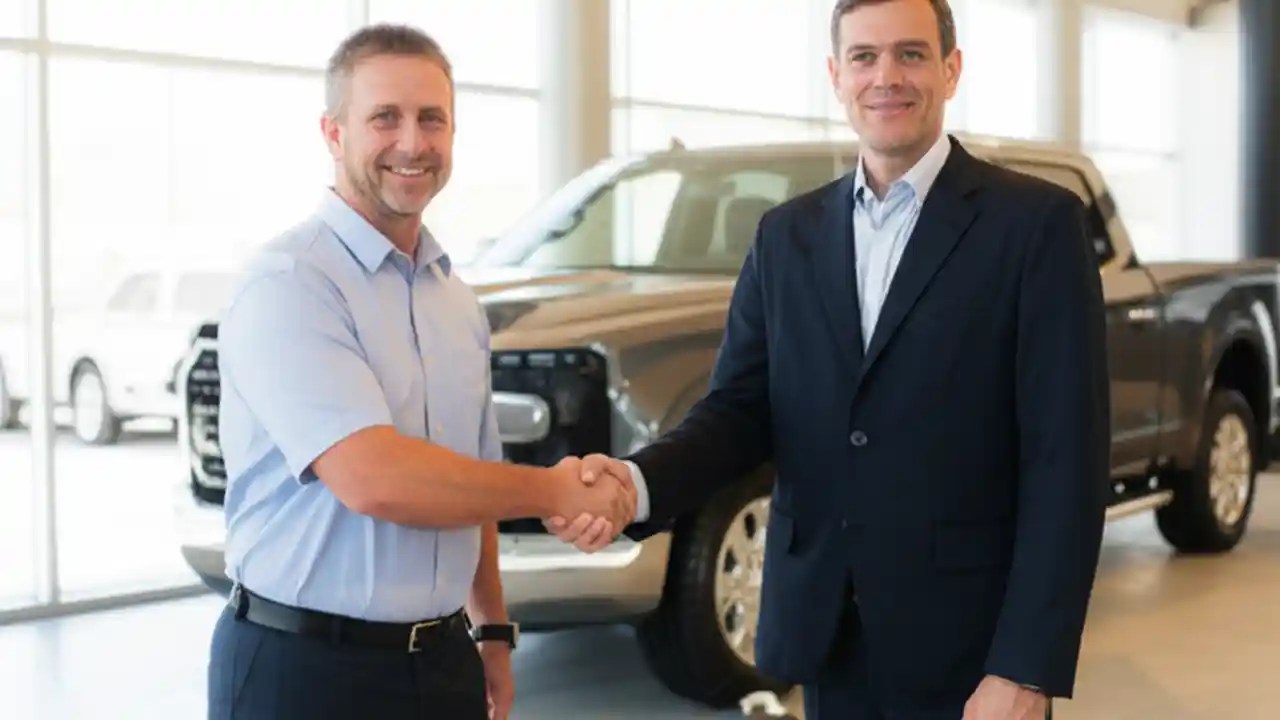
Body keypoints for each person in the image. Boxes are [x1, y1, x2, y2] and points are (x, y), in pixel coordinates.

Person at [549, 0, 1109, 718]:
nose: (887, 77)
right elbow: (738, 412)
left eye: (910, 54)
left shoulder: (1034, 227)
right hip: (827, 632)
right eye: (865, 57)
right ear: (835, 75)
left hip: (970, 649)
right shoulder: (786, 237)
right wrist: (636, 482)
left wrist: (1026, 668)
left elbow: (1066, 465)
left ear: (951, 68)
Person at [206, 24, 633, 720]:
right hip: (303, 672)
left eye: (432, 119)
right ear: (334, 132)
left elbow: (472, 479)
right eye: (385, 117)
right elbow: (375, 478)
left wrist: (492, 629)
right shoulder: (289, 283)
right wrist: (556, 488)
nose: (412, 143)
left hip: (441, 665)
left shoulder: (453, 297)